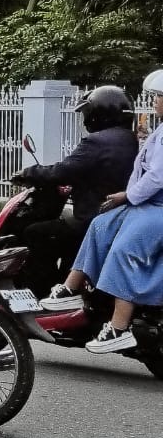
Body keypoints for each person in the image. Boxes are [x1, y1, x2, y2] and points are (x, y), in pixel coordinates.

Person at [40, 71, 163, 353]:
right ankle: (72, 289)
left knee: (124, 249)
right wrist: (128, 199)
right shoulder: (157, 131)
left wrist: (127, 196)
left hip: (158, 207)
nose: (155, 101)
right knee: (100, 225)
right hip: (145, 203)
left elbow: (157, 177)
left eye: (159, 97)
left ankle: (119, 327)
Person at [10, 85, 138, 280]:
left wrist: (28, 173)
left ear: (98, 113)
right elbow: (93, 170)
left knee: (35, 233)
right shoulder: (128, 138)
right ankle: (65, 277)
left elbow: (62, 170)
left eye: (88, 112)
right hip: (115, 214)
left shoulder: (97, 141)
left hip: (93, 216)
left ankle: (42, 286)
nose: (86, 117)